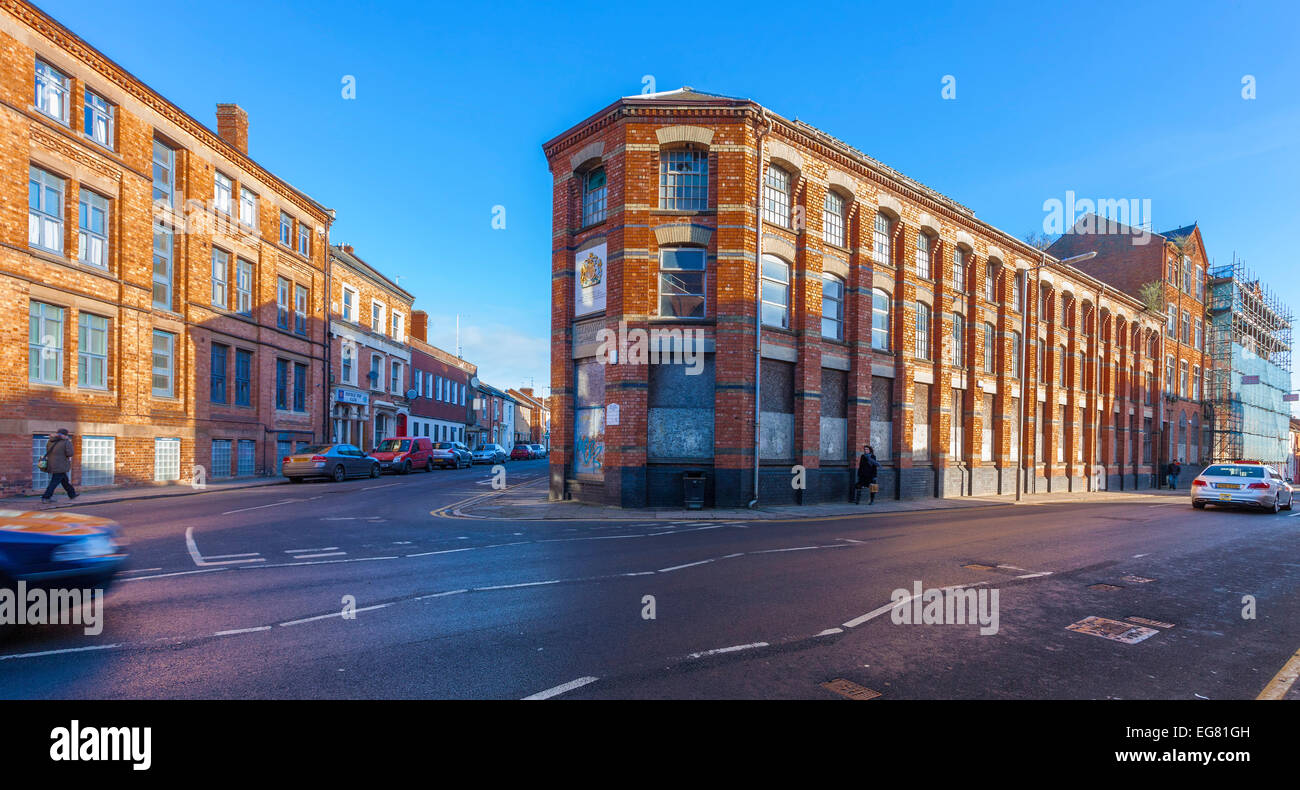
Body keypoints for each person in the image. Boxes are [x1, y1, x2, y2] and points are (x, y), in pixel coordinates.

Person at [40, 428, 78, 503]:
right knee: (54, 482)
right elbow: (70, 453)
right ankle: (46, 497)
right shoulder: (66, 442)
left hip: (52, 464)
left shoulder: (50, 441)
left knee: (64, 480)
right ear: (66, 435)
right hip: (61, 465)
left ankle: (72, 494)